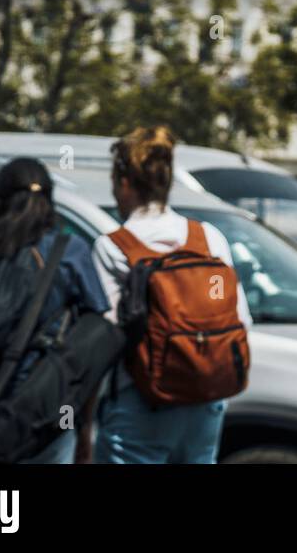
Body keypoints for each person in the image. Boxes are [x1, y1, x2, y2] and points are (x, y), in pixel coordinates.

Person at [90, 126, 252, 464]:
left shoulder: (113, 247)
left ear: (123, 183)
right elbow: (241, 320)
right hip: (206, 403)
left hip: (142, 403)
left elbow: (106, 337)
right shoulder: (208, 238)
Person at [0, 157, 109, 464]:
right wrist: (83, 429)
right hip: (40, 418)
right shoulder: (69, 252)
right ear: (49, 202)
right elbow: (92, 342)